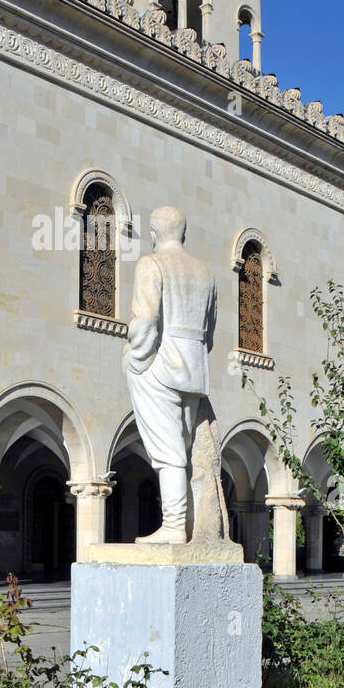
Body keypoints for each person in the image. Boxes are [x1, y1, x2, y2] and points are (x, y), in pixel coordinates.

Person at [123, 205, 217, 544]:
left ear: (154, 233)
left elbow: (146, 321)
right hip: (194, 370)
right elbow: (210, 329)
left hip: (161, 367)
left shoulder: (152, 264)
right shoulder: (205, 273)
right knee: (185, 449)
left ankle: (175, 526)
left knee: (169, 451)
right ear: (183, 232)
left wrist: (135, 361)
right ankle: (188, 527)